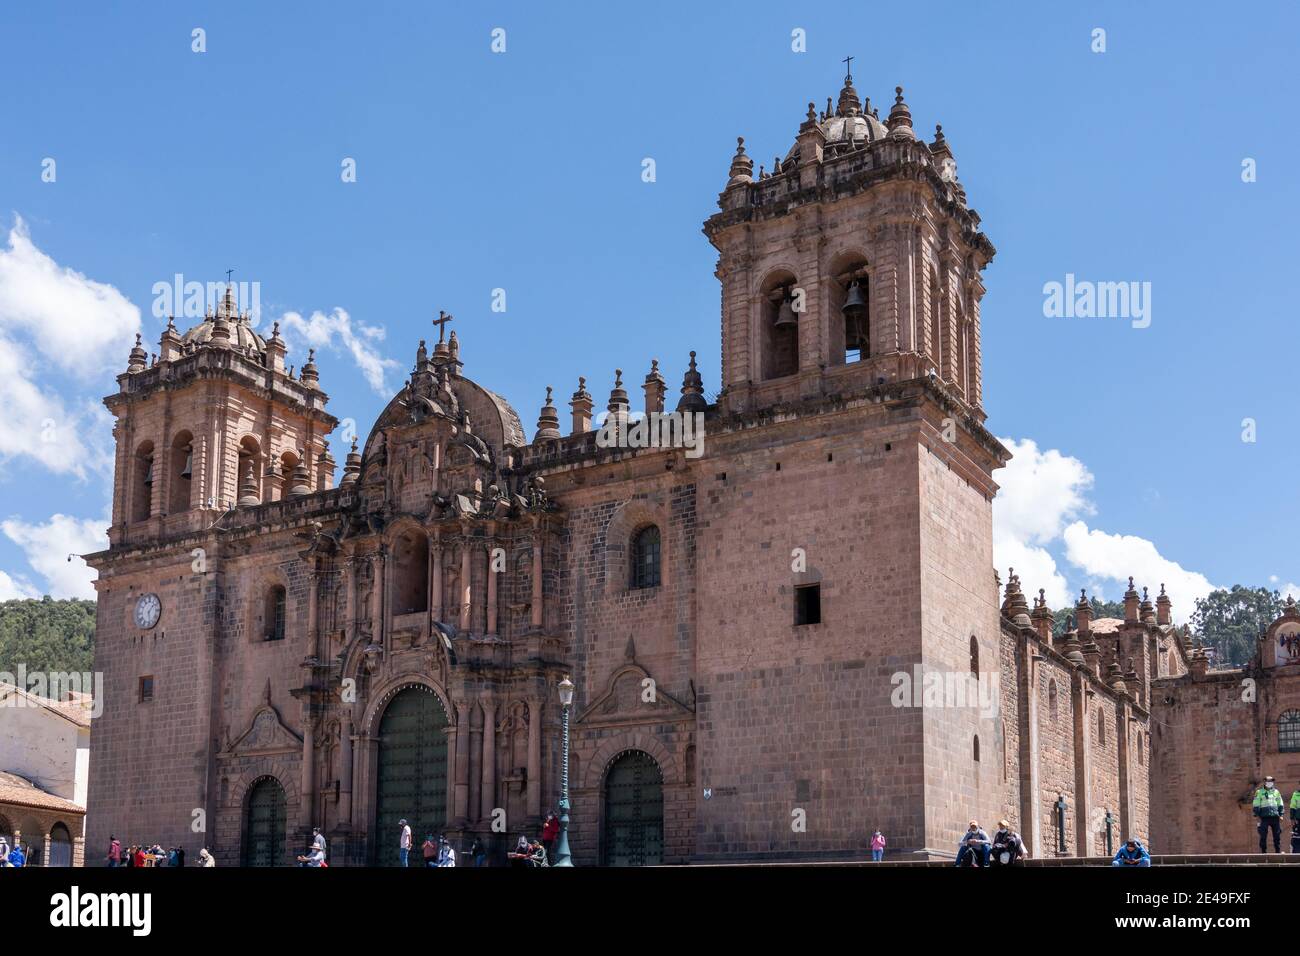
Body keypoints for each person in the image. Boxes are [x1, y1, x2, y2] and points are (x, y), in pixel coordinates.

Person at [1253, 775, 1285, 853]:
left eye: (1271, 781)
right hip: (1264, 817)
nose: (1270, 783)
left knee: (1277, 836)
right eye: (1268, 781)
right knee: (1263, 835)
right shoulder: (1259, 792)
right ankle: (1263, 852)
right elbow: (1256, 804)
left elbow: (1280, 803)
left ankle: (1278, 851)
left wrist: (1281, 814)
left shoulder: (1276, 792)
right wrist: (1257, 815)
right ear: (1265, 782)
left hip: (1275, 816)